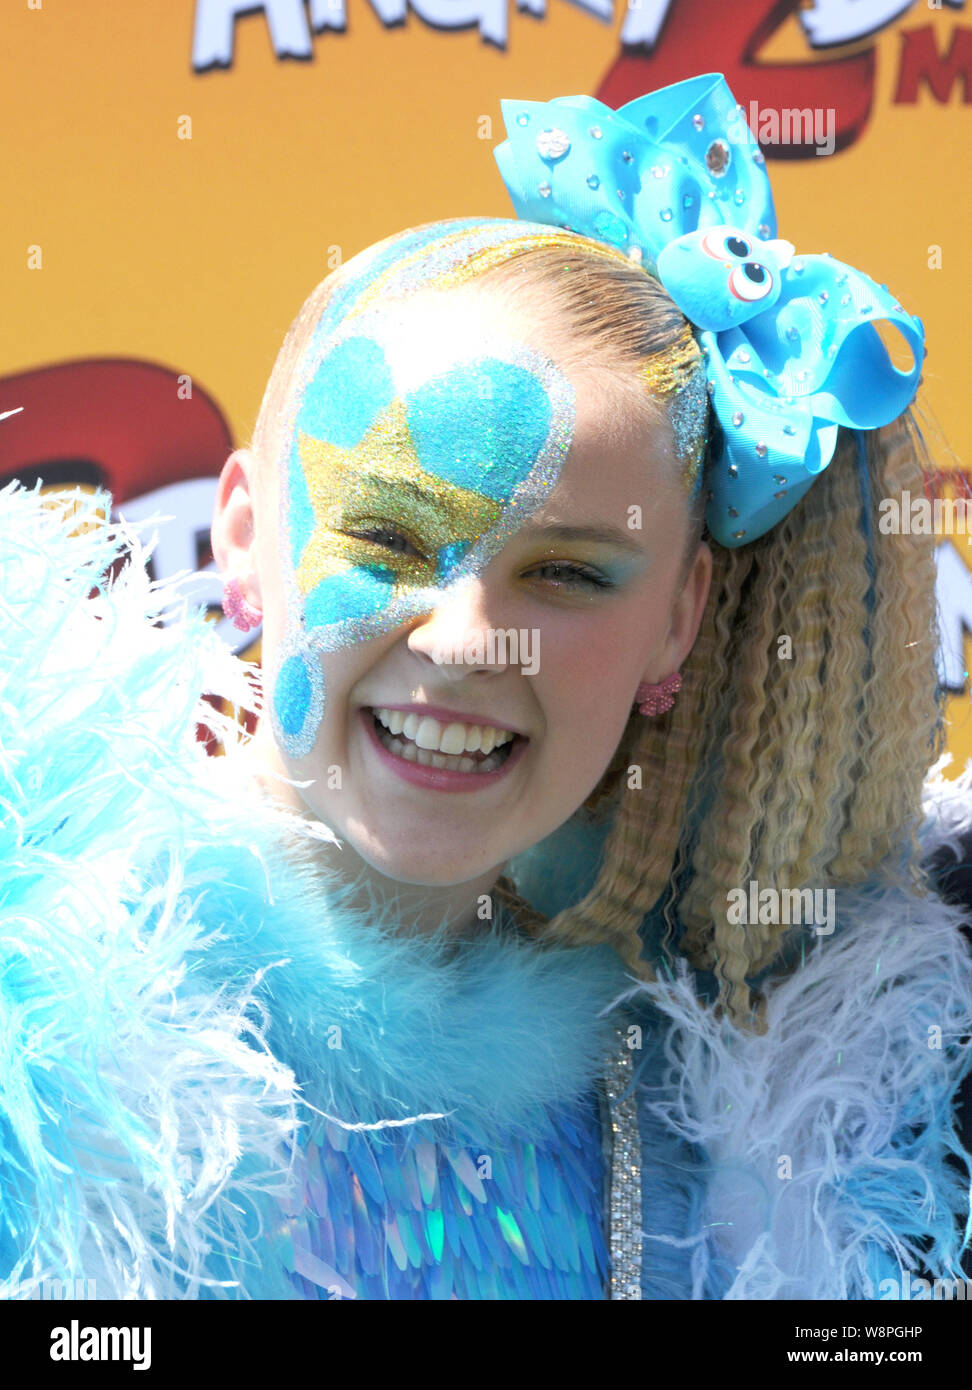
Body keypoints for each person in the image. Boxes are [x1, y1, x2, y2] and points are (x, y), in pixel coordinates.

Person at [1, 72, 970, 1302]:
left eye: (565, 573)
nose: (468, 643)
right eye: (392, 542)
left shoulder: (702, 1149)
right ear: (241, 541)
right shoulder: (37, 1040)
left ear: (676, 620)